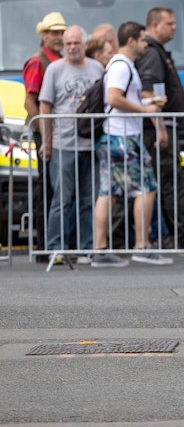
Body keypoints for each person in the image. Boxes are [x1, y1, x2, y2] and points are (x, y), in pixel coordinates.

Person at [91, 21, 171, 268]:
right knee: (146, 188)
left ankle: (101, 249)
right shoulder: (122, 66)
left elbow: (120, 98)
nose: (147, 44)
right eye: (143, 39)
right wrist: (145, 108)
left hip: (117, 135)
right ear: (131, 41)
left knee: (109, 191)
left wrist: (148, 105)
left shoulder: (122, 65)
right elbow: (114, 98)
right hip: (122, 136)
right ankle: (141, 245)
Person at [38, 26, 103, 260]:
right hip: (62, 145)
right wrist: (47, 142)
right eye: (69, 44)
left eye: (76, 43)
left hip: (90, 144)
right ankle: (57, 247)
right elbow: (44, 106)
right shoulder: (55, 69)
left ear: (84, 44)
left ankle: (87, 247)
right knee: (61, 200)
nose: (72, 48)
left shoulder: (97, 67)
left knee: (89, 200)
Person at [135, 7, 184, 250]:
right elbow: (149, 94)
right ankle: (182, 238)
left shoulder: (155, 52)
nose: (175, 27)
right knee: (169, 184)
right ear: (155, 25)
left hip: (160, 128)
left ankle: (177, 236)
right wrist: (161, 129)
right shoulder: (152, 54)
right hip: (158, 130)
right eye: (170, 23)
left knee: (168, 184)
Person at [24, 11, 66, 249]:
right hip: (45, 135)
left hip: (54, 134)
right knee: (47, 189)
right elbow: (30, 102)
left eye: (61, 32)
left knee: (53, 189)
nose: (59, 36)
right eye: (54, 32)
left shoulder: (56, 59)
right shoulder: (38, 61)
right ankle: (43, 245)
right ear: (44, 35)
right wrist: (45, 134)